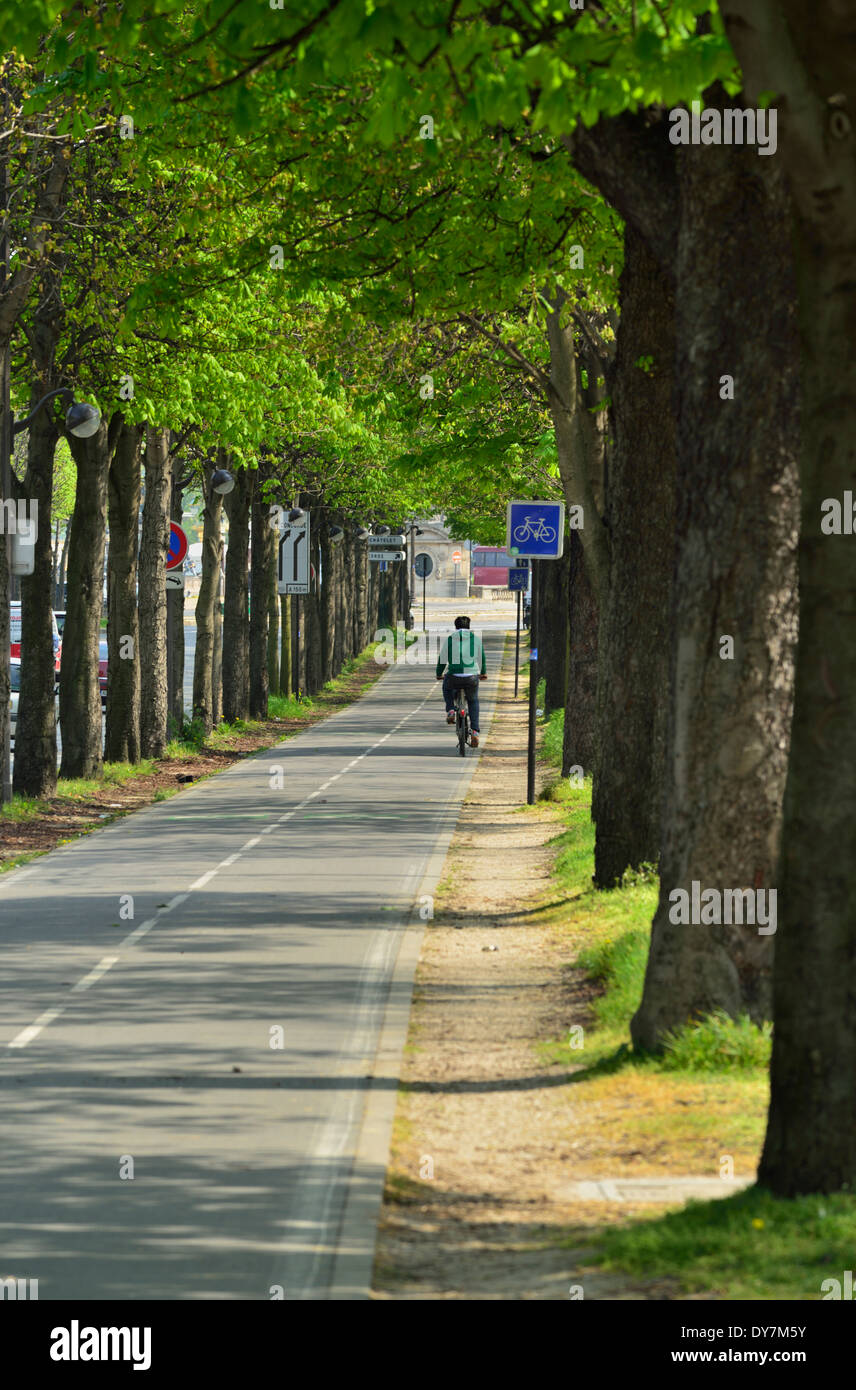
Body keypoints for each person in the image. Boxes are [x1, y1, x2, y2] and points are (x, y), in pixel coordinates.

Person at [435, 615, 486, 747]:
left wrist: (439, 674)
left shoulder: (451, 639)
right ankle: (475, 731)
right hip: (471, 677)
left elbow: (442, 658)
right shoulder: (475, 638)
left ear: (456, 627)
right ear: (469, 626)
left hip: (454, 676)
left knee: (447, 687)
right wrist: (483, 672)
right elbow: (482, 657)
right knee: (473, 700)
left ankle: (451, 710)